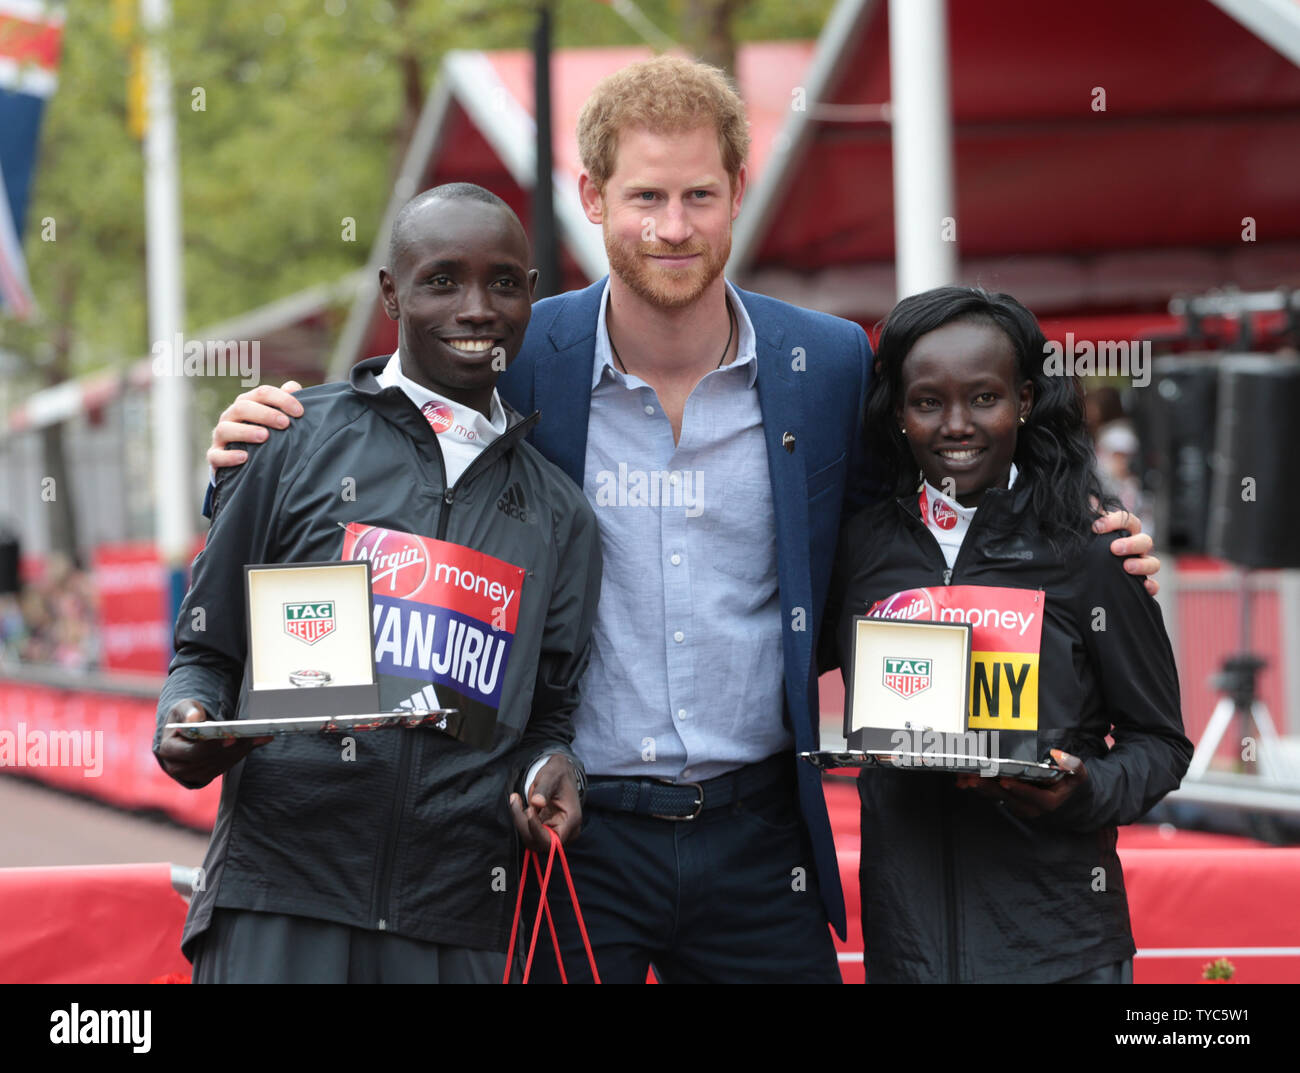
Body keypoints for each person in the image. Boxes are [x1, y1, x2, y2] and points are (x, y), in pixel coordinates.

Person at [205, 57, 1161, 983]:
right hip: (566, 825)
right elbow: (391, 443)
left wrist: (1084, 527)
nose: (673, 227)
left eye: (699, 195)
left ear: (740, 190)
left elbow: (933, 490)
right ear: (592, 196)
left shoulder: (826, 363)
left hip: (760, 832)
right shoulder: (523, 350)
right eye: (647, 198)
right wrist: (246, 450)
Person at [154, 184, 602, 983]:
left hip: (457, 921)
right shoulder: (289, 441)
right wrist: (189, 722)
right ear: (392, 293)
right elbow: (206, 649)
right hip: (280, 904)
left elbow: (551, 716)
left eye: (503, 282)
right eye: (441, 280)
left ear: (531, 296)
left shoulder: (560, 513)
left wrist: (549, 774)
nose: (476, 308)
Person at [824, 286, 1190, 984]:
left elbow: (1161, 742)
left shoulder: (1089, 547)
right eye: (927, 401)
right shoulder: (858, 550)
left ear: (1023, 400)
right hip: (909, 954)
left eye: (984, 398)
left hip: (1061, 953)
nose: (956, 424)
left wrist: (1084, 791)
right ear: (898, 413)